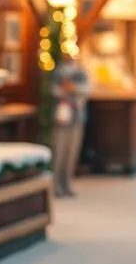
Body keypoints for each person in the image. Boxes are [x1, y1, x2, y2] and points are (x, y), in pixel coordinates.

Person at [51, 57, 91, 197]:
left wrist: (75, 88)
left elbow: (88, 89)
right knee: (59, 151)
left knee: (72, 152)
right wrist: (64, 90)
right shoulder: (58, 72)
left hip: (77, 116)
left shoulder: (81, 71)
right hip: (63, 116)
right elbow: (54, 90)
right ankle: (56, 184)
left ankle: (67, 182)